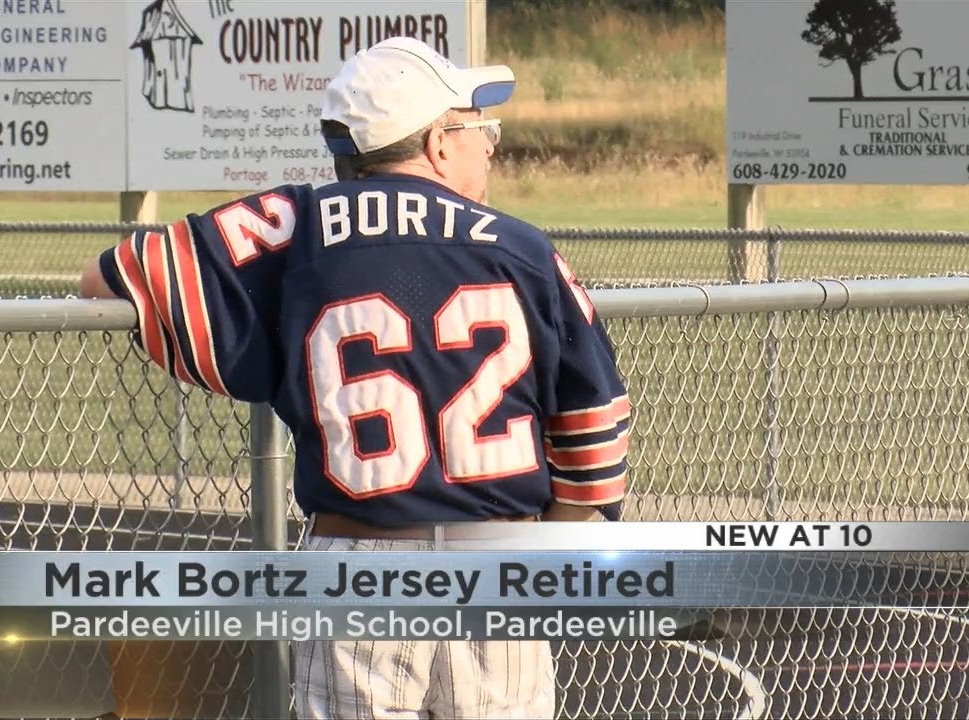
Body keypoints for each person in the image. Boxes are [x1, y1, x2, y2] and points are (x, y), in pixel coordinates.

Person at [79, 36, 630, 720]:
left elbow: (110, 281)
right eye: (478, 126)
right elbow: (594, 437)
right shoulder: (521, 247)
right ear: (436, 141)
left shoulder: (298, 228)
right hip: (500, 563)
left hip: (358, 565)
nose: (490, 143)